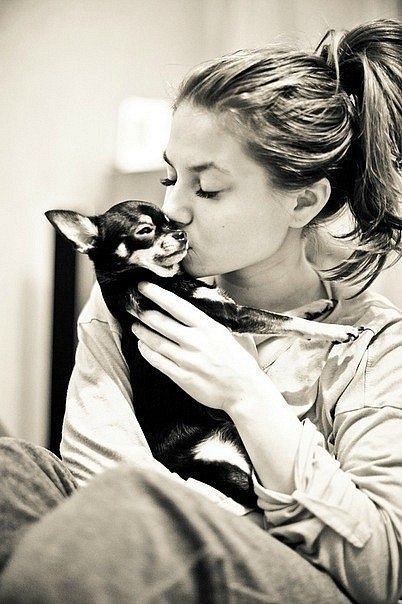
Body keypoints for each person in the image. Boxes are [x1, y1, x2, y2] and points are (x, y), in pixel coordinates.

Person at [1, 17, 401, 604]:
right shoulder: (133, 295)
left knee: (135, 510)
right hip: (138, 535)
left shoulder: (375, 345)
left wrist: (246, 394)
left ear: (303, 201)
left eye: (206, 188)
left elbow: (382, 571)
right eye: (169, 177)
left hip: (290, 575)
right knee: (9, 468)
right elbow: (99, 470)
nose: (172, 209)